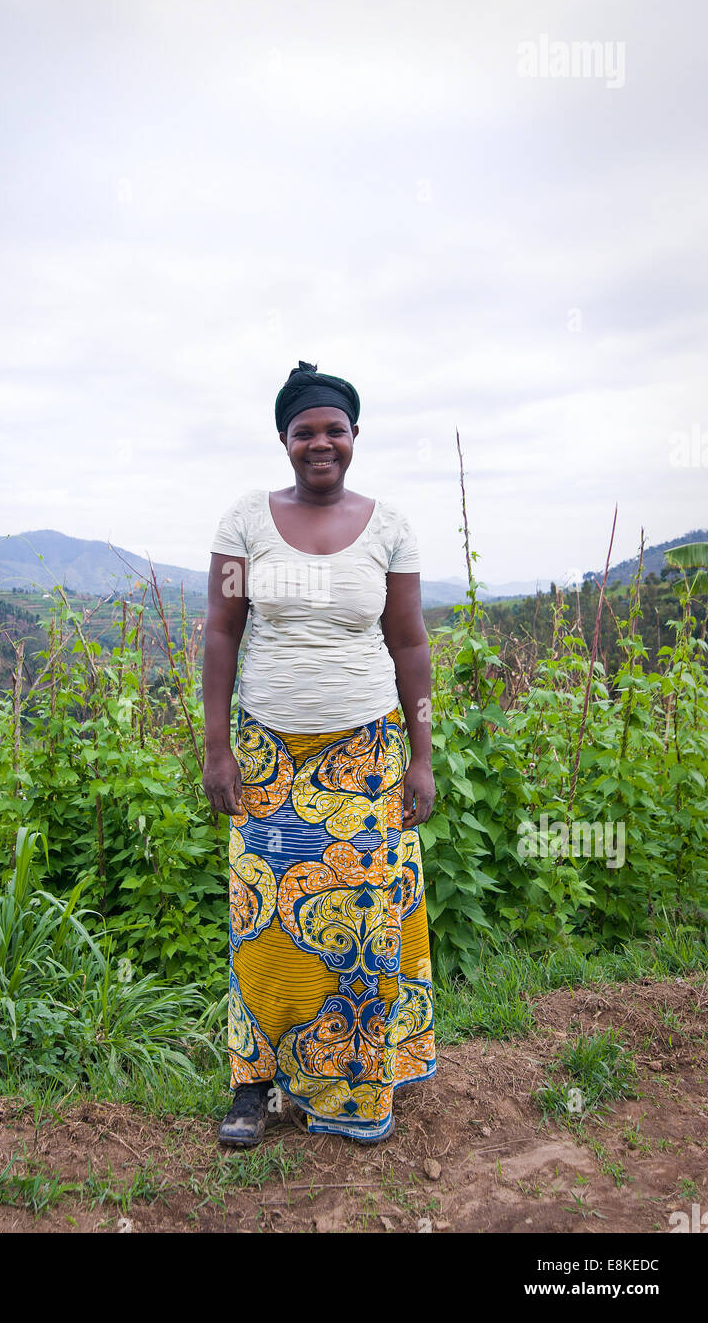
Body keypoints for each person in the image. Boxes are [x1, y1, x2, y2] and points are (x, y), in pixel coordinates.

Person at [202, 360, 436, 1148]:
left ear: (354, 436)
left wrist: (421, 755)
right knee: (262, 919)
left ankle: (357, 1089)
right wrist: (217, 747)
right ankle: (251, 1087)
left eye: (333, 428)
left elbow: (408, 643)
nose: (320, 442)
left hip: (367, 757)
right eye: (305, 431)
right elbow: (220, 631)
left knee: (362, 925)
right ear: (284, 439)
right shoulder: (243, 522)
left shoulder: (391, 527)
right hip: (268, 755)